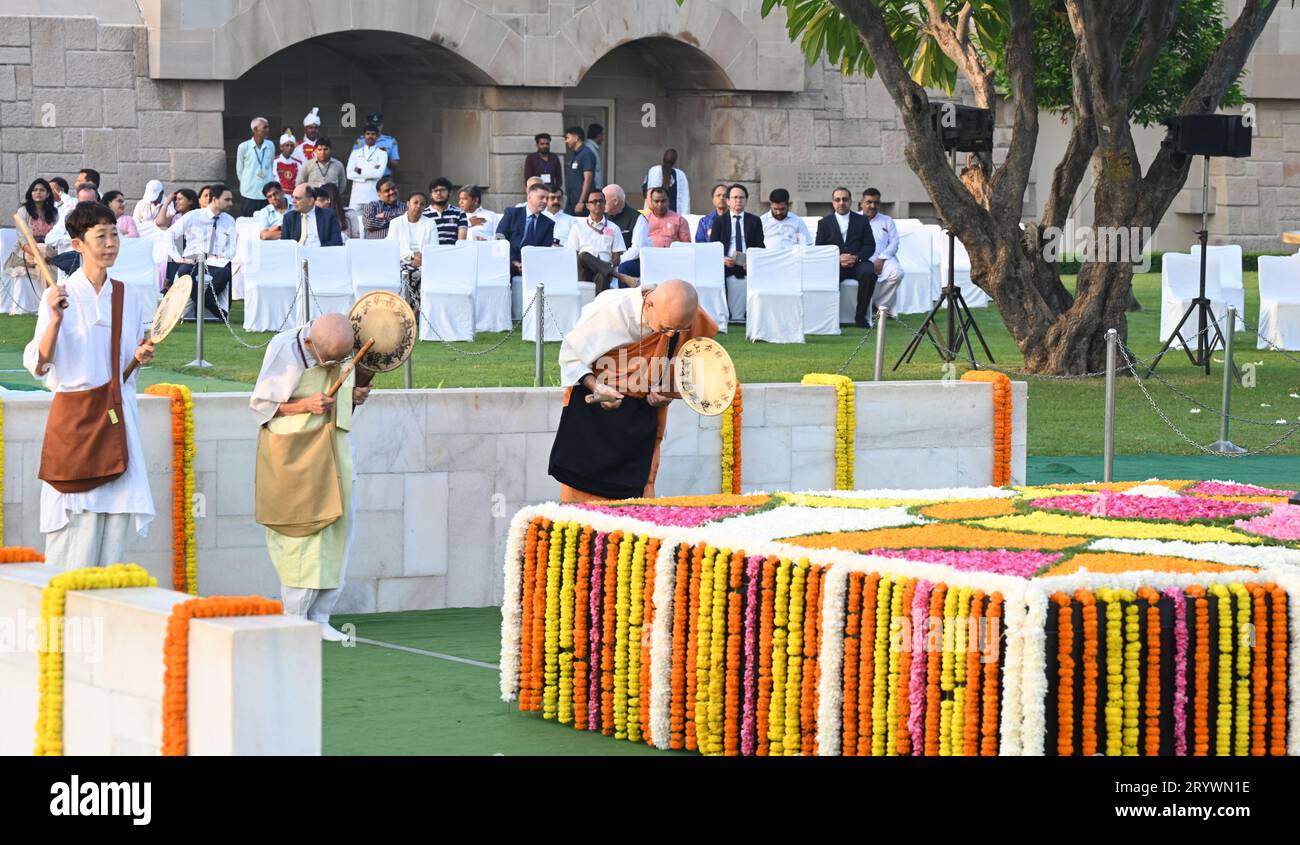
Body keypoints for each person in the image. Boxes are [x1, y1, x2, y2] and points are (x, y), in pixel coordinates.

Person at [22, 202, 156, 568]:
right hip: (76, 425)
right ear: (78, 244)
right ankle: (64, 621)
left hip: (117, 421)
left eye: (115, 234)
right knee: (72, 537)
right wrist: (53, 321)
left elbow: (123, 374)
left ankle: (107, 615)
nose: (111, 243)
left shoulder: (130, 296)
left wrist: (138, 359)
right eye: (101, 236)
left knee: (114, 536)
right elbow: (38, 364)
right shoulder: (59, 295)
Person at [250, 311, 372, 642]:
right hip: (293, 454)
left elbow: (340, 406)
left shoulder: (343, 349)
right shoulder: (283, 348)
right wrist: (304, 405)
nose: (334, 364)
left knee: (338, 529)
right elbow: (261, 407)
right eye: (328, 359)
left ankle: (320, 617)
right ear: (308, 342)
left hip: (333, 447)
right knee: (301, 536)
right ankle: (294, 617)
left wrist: (352, 397)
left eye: (341, 358)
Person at [548, 280, 717, 501]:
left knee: (638, 500)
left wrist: (665, 395)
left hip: (641, 419)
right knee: (580, 502)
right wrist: (597, 387)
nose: (670, 335)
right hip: (594, 416)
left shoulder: (686, 317)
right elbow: (570, 358)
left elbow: (685, 370)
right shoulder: (611, 310)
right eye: (666, 327)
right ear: (649, 305)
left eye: (678, 329)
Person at [166, 183, 237, 320]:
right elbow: (170, 234)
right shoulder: (193, 216)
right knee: (183, 272)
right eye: (227, 199)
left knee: (225, 272)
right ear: (215, 199)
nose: (231, 203)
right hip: (194, 258)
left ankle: (203, 305)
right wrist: (176, 257)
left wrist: (224, 257)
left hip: (217, 261)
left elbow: (232, 246)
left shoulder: (229, 220)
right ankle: (216, 311)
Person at [815, 186, 878, 328]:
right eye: (837, 200)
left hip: (858, 263)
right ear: (833, 202)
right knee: (825, 276)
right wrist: (837, 258)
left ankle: (860, 317)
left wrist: (856, 257)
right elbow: (819, 248)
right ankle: (829, 319)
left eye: (845, 199)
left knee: (869, 273)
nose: (841, 203)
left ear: (850, 201)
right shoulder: (824, 223)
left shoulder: (862, 220)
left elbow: (870, 245)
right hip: (835, 264)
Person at [566, 188, 630, 294]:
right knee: (584, 255)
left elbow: (617, 257)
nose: (598, 204)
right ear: (587, 205)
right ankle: (620, 277)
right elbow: (573, 254)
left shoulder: (614, 228)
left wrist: (607, 266)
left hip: (606, 269)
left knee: (602, 275)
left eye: (601, 201)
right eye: (594, 201)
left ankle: (596, 308)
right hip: (584, 271)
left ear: (605, 204)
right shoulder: (577, 227)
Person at [619, 186, 690, 277]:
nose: (660, 204)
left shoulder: (679, 220)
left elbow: (687, 247)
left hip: (671, 262)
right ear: (651, 202)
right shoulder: (643, 219)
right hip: (647, 262)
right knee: (624, 267)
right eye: (656, 201)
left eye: (663, 201)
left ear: (668, 201)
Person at [5, 178, 59, 290]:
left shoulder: (54, 213)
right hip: (26, 253)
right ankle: (49, 296)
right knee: (43, 257)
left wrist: (51, 254)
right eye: (35, 190)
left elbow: (58, 236)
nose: (38, 192)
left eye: (42, 190)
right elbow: (22, 241)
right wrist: (40, 255)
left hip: (48, 252)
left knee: (46, 264)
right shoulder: (23, 212)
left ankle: (47, 298)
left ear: (48, 194)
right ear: (31, 193)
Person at [388, 191, 435, 313]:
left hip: (425, 262)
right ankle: (411, 309)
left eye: (422, 204)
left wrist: (422, 259)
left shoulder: (430, 223)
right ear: (408, 204)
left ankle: (416, 310)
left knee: (422, 273)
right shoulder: (396, 223)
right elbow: (391, 248)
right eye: (415, 202)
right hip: (401, 261)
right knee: (409, 273)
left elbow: (434, 248)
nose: (418, 206)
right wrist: (412, 256)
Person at [860, 188, 904, 315]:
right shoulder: (854, 219)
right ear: (861, 203)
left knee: (897, 273)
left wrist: (881, 258)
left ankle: (878, 305)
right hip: (863, 259)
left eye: (876, 202)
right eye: (869, 202)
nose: (872, 206)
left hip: (885, 258)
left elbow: (894, 243)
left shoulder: (887, 220)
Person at [497, 182, 555, 277]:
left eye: (547, 198)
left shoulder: (548, 224)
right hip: (508, 260)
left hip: (533, 264)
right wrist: (514, 261)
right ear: (529, 197)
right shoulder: (512, 213)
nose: (545, 201)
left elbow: (544, 250)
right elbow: (500, 237)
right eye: (541, 197)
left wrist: (528, 264)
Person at [711, 183, 765, 279]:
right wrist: (722, 259)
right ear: (728, 201)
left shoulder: (755, 221)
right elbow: (713, 247)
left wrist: (752, 261)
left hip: (748, 265)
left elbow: (760, 246)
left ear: (746, 200)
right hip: (726, 266)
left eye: (741, 197)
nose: (738, 200)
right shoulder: (719, 221)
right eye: (735, 197)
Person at [281, 183, 344, 247]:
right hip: (297, 255)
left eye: (298, 198)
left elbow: (337, 242)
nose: (293, 201)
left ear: (310, 201)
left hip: (320, 254)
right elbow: (285, 245)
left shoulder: (328, 215)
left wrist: (315, 251)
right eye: (292, 197)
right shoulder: (289, 218)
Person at [236, 117, 276, 216]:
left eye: (268, 127)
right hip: (249, 194)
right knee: (249, 224)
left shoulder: (270, 145)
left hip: (267, 194)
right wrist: (247, 183)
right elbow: (239, 170)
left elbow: (271, 166)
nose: (268, 130)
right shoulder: (244, 147)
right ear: (255, 129)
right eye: (265, 127)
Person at [347, 124, 388, 209]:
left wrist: (358, 171)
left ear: (377, 136)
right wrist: (370, 170)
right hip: (356, 197)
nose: (370, 136)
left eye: (373, 134)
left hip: (373, 196)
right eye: (368, 134)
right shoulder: (355, 153)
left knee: (372, 221)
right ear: (364, 136)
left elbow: (378, 174)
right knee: (354, 221)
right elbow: (349, 174)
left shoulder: (382, 154)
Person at [642, 149, 690, 214]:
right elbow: (685, 200)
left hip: (654, 214)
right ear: (675, 161)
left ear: (663, 158)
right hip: (674, 216)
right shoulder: (681, 175)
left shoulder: (654, 171)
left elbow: (646, 192)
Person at [421, 176, 467, 244]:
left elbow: (461, 242)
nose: (438, 193)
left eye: (442, 190)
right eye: (435, 191)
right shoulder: (423, 214)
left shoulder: (459, 213)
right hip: (431, 252)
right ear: (431, 195)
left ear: (450, 192)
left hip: (452, 253)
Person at [352, 111, 399, 177]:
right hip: (365, 178)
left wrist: (385, 156)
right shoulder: (360, 141)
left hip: (384, 179)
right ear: (367, 125)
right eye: (373, 125)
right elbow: (353, 164)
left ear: (382, 125)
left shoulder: (390, 141)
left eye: (378, 125)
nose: (376, 128)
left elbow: (395, 165)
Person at [563, 126, 596, 215]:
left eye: (568, 138)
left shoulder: (586, 154)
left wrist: (581, 201)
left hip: (582, 202)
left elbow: (588, 179)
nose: (566, 141)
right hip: (571, 200)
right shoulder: (575, 155)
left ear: (576, 137)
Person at [603, 185, 642, 254]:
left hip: (626, 261)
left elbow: (637, 250)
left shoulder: (638, 218)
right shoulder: (601, 216)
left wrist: (617, 261)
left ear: (615, 201)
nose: (601, 204)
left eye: (604, 201)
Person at [584, 123, 605, 190]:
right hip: (591, 188)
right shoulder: (589, 149)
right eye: (602, 135)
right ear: (598, 135)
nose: (603, 138)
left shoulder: (591, 148)